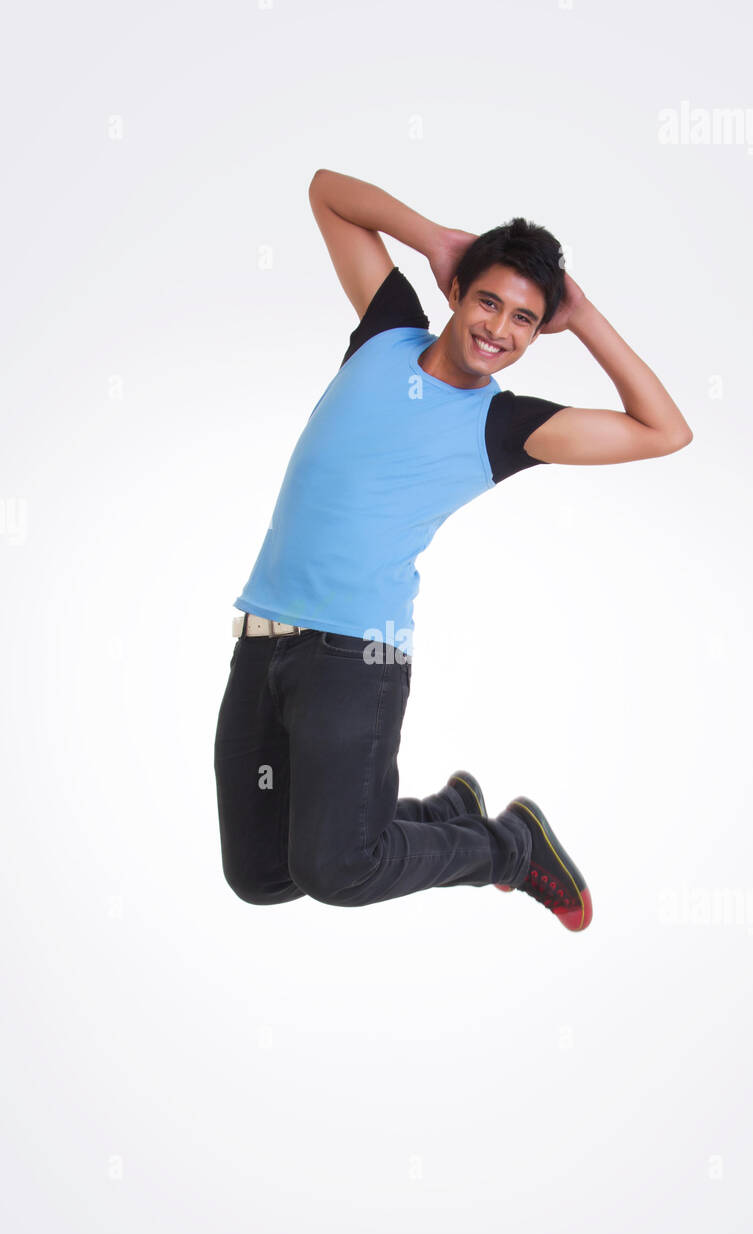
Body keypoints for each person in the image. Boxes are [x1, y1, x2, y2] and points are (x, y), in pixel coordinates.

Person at [214, 169, 693, 927]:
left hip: (353, 657)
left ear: (541, 334)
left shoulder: (507, 427)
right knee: (263, 875)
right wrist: (437, 240)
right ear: (458, 292)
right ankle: (447, 811)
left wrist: (587, 314)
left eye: (527, 321)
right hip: (261, 636)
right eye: (489, 301)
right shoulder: (386, 328)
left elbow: (666, 431)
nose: (499, 329)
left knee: (339, 869)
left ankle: (509, 845)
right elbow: (325, 191)